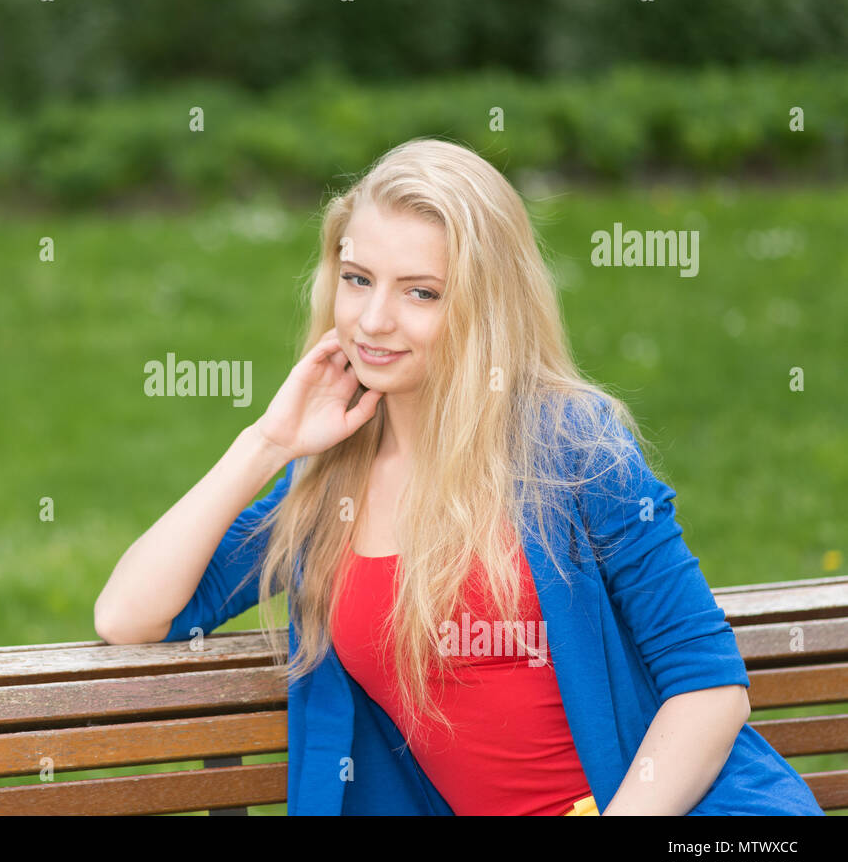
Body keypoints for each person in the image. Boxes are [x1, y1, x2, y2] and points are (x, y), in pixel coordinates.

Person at [94, 137, 824, 816]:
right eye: (357, 279)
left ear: (484, 305)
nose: (374, 319)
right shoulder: (327, 490)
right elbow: (131, 617)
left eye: (421, 292)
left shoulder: (573, 450)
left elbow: (708, 684)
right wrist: (266, 443)